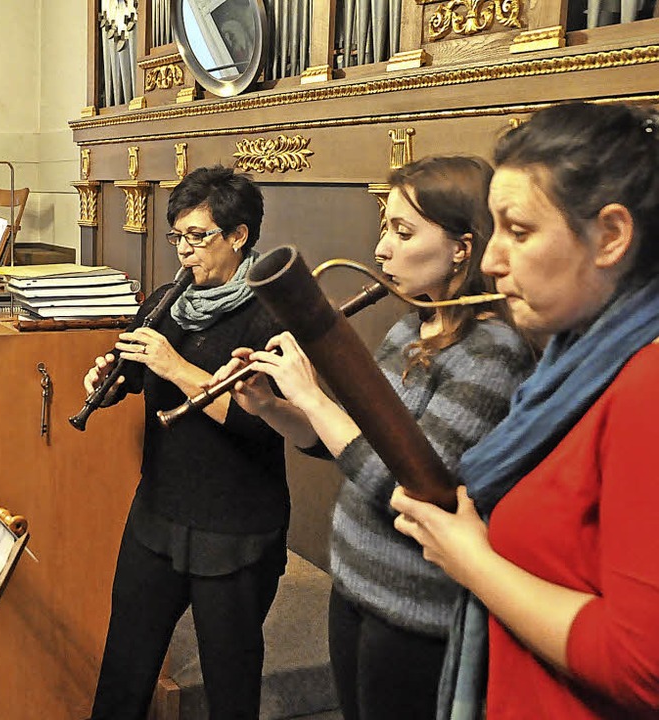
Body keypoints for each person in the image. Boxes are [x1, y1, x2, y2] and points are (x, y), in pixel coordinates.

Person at [211, 155, 534, 720]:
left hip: (414, 610)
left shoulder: (492, 354)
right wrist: (273, 408)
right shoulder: (413, 326)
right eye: (385, 226)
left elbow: (407, 485)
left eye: (402, 232)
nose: (381, 248)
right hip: (356, 584)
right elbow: (350, 446)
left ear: (464, 246)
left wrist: (313, 396)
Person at [390, 102, 659, 719]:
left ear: (611, 236)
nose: (490, 260)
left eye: (518, 229)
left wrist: (471, 561)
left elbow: (642, 668)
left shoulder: (647, 383)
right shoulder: (573, 359)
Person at [85, 166, 289, 719]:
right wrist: (106, 384)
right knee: (124, 667)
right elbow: (132, 378)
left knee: (230, 678)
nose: (184, 251)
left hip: (236, 528)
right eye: (178, 236)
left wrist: (174, 366)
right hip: (159, 514)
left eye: (198, 237)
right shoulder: (165, 300)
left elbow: (262, 424)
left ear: (239, 236)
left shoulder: (269, 314)